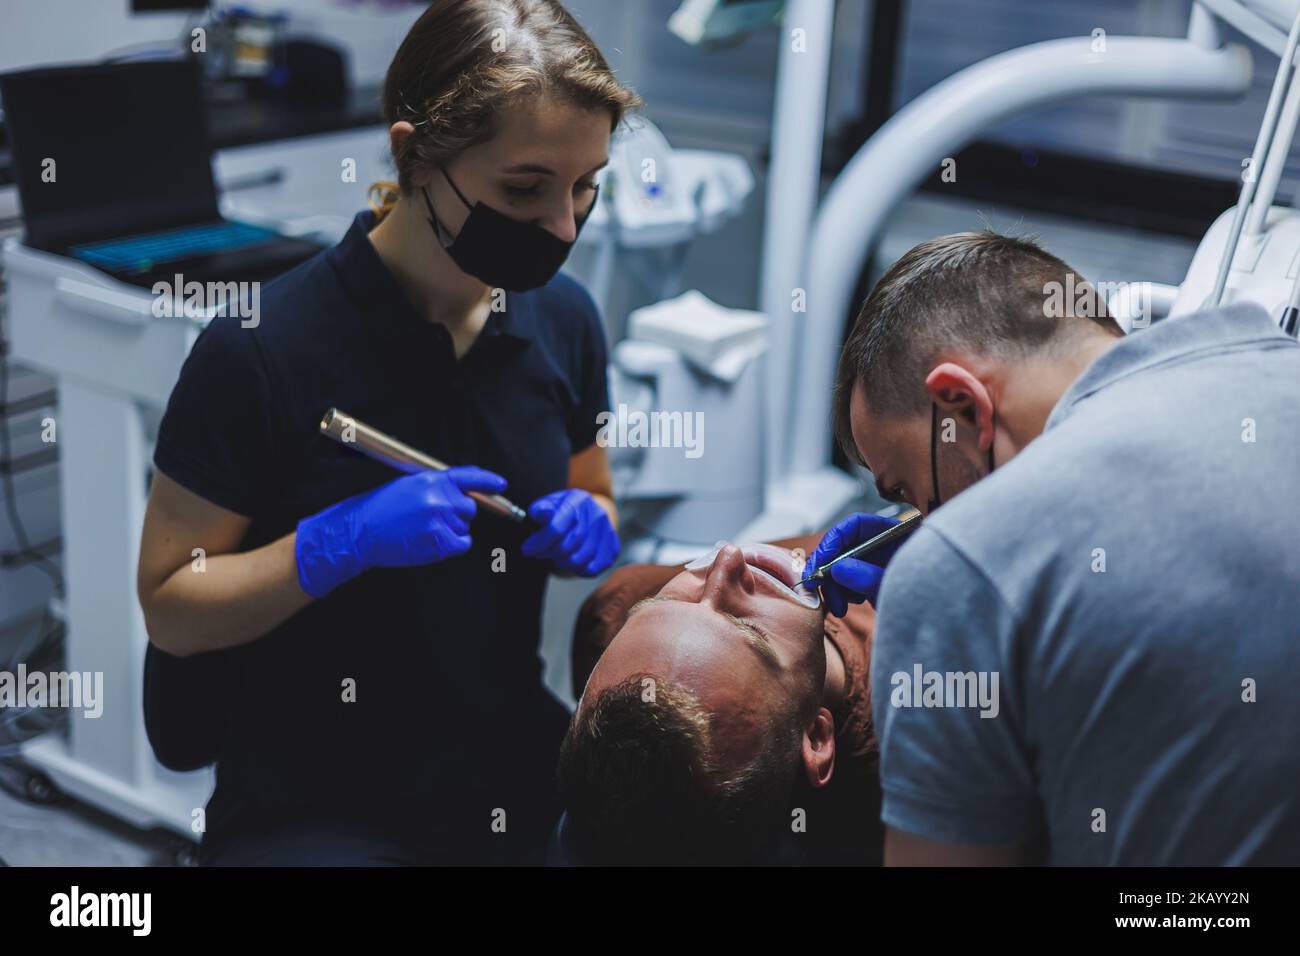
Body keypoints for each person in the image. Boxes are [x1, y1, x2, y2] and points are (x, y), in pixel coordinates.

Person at [135, 0, 638, 865]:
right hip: (313, 787)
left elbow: (594, 488)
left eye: (586, 185)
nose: (564, 225)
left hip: (500, 753)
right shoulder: (261, 350)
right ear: (414, 155)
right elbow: (173, 607)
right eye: (525, 187)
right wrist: (337, 543)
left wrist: (590, 519)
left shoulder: (564, 322)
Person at [806, 230, 1300, 865]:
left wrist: (958, 574)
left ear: (961, 405)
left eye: (909, 488)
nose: (921, 521)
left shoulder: (963, 571)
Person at [557, 536, 892, 865]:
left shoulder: (614, 609)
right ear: (817, 737)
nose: (727, 559)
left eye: (665, 603)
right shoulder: (906, 725)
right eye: (747, 627)